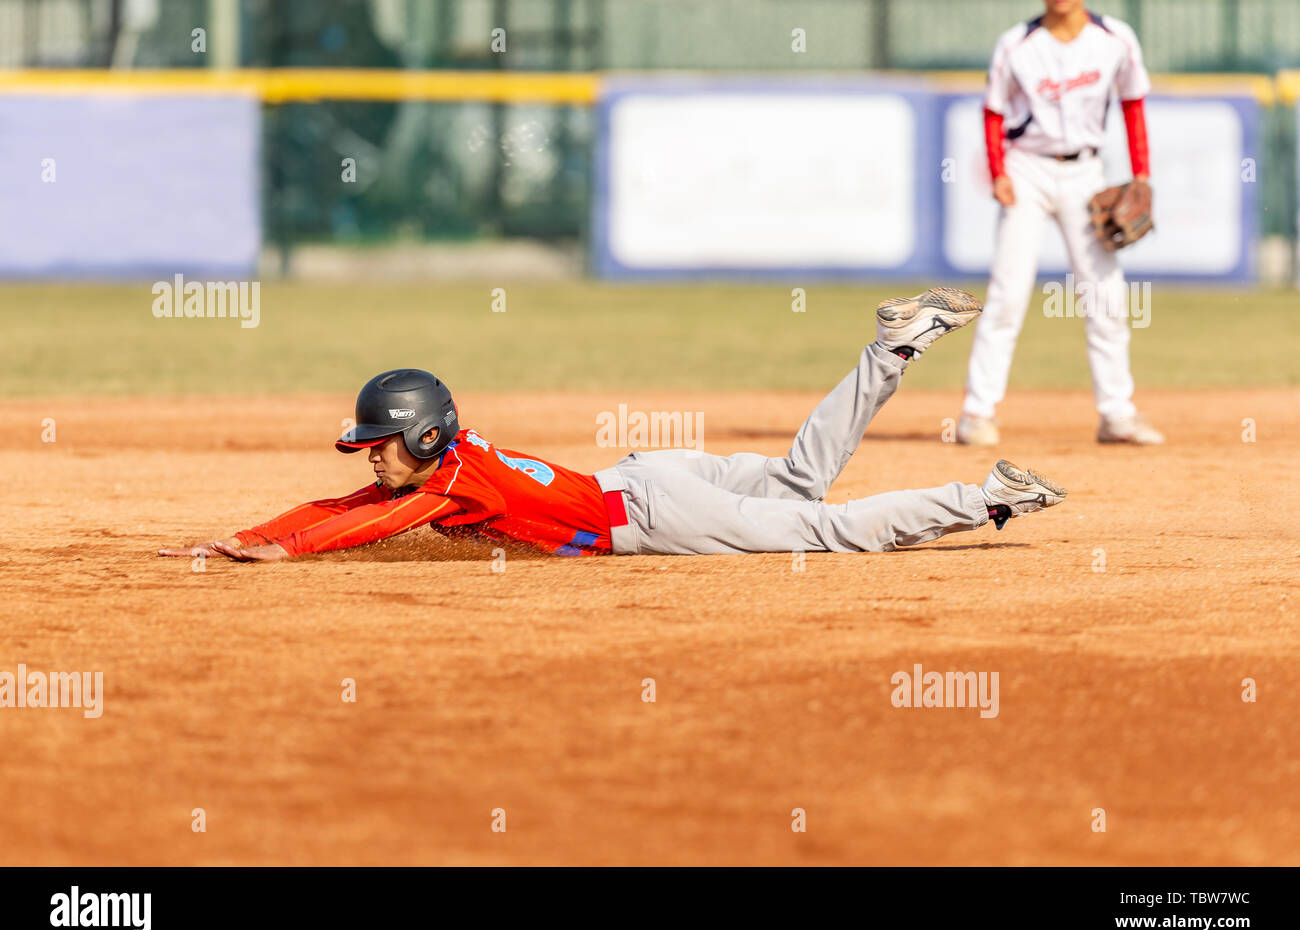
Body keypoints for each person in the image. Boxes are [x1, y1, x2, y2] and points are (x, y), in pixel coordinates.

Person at [158, 288, 1066, 563]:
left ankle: (985, 497)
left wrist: (281, 553)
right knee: (796, 479)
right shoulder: (446, 463)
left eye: (384, 443)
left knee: (821, 526)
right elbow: (345, 499)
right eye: (372, 446)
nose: (375, 458)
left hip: (648, 511)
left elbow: (367, 519)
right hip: (645, 480)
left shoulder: (438, 483)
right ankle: (893, 351)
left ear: (428, 439)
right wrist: (247, 534)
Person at [959, 0, 1163, 446]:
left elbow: (1132, 104)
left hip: (1085, 175)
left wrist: (1141, 173)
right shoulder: (1017, 44)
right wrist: (998, 172)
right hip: (1027, 169)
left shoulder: (1115, 39)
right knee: (1008, 292)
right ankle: (977, 411)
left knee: (1105, 294)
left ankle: (1117, 415)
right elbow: (993, 112)